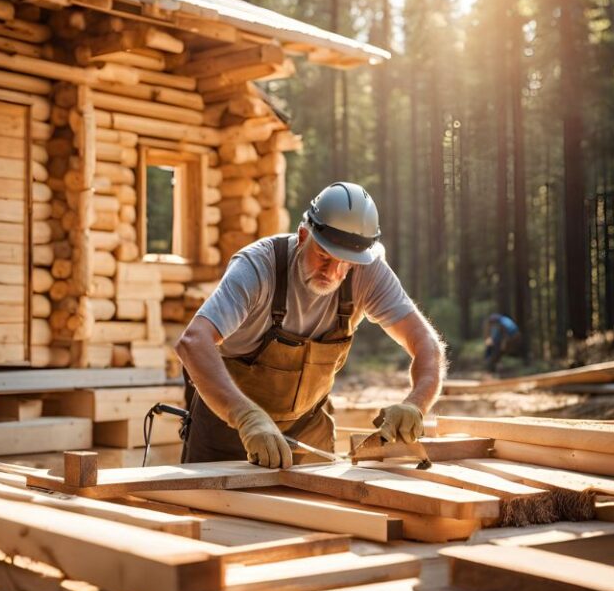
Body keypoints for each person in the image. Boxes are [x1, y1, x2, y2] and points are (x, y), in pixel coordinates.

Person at [176, 182, 446, 469]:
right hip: (229, 430)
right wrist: (246, 418)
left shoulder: (368, 271)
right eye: (323, 257)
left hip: (309, 434)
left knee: (321, 512)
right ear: (303, 235)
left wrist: (415, 404)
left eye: (346, 264)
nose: (332, 273)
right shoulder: (259, 267)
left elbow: (427, 345)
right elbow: (193, 342)